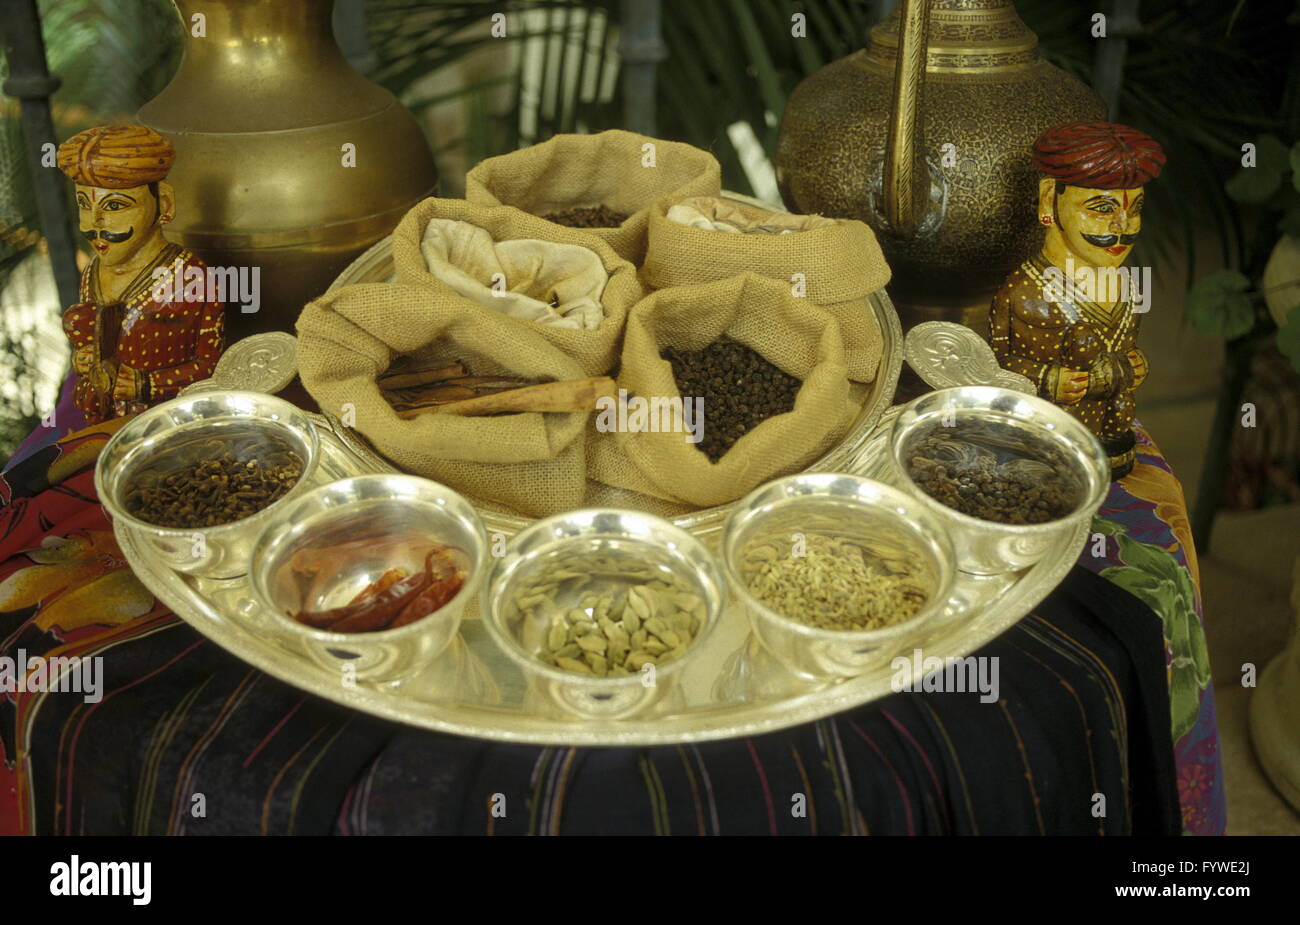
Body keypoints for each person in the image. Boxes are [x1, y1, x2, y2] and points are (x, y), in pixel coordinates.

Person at [988, 121, 1165, 478]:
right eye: (1101, 208)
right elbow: (994, 366)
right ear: (1049, 200)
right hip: (1045, 445)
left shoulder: (1128, 286)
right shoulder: (1025, 290)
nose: (1123, 226)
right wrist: (1048, 378)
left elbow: (1123, 349)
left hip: (1112, 437)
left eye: (1135, 209)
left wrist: (1132, 363)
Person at [57, 123, 224, 424]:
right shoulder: (95, 268)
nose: (95, 224)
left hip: (168, 423)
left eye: (116, 206)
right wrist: (83, 358)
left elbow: (213, 365)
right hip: (101, 421)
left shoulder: (188, 277)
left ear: (165, 202)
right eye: (83, 204)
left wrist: (147, 384)